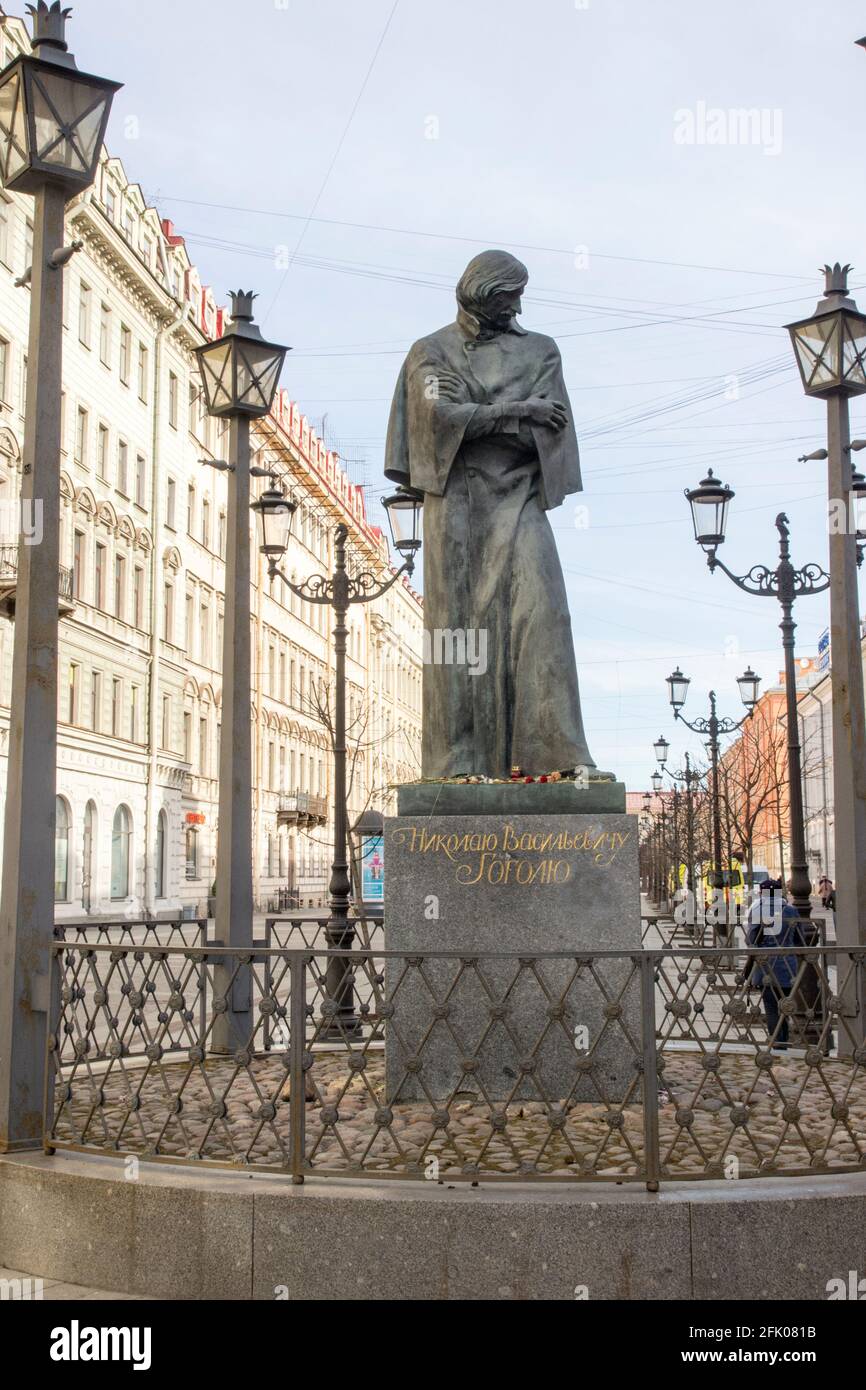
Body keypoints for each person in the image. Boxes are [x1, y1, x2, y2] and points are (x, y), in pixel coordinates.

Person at [745, 878, 806, 1050]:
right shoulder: (791, 910)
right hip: (788, 966)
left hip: (765, 965)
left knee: (771, 1007)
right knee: (784, 1005)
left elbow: (751, 939)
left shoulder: (757, 909)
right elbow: (799, 938)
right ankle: (783, 1040)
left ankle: (777, 1042)